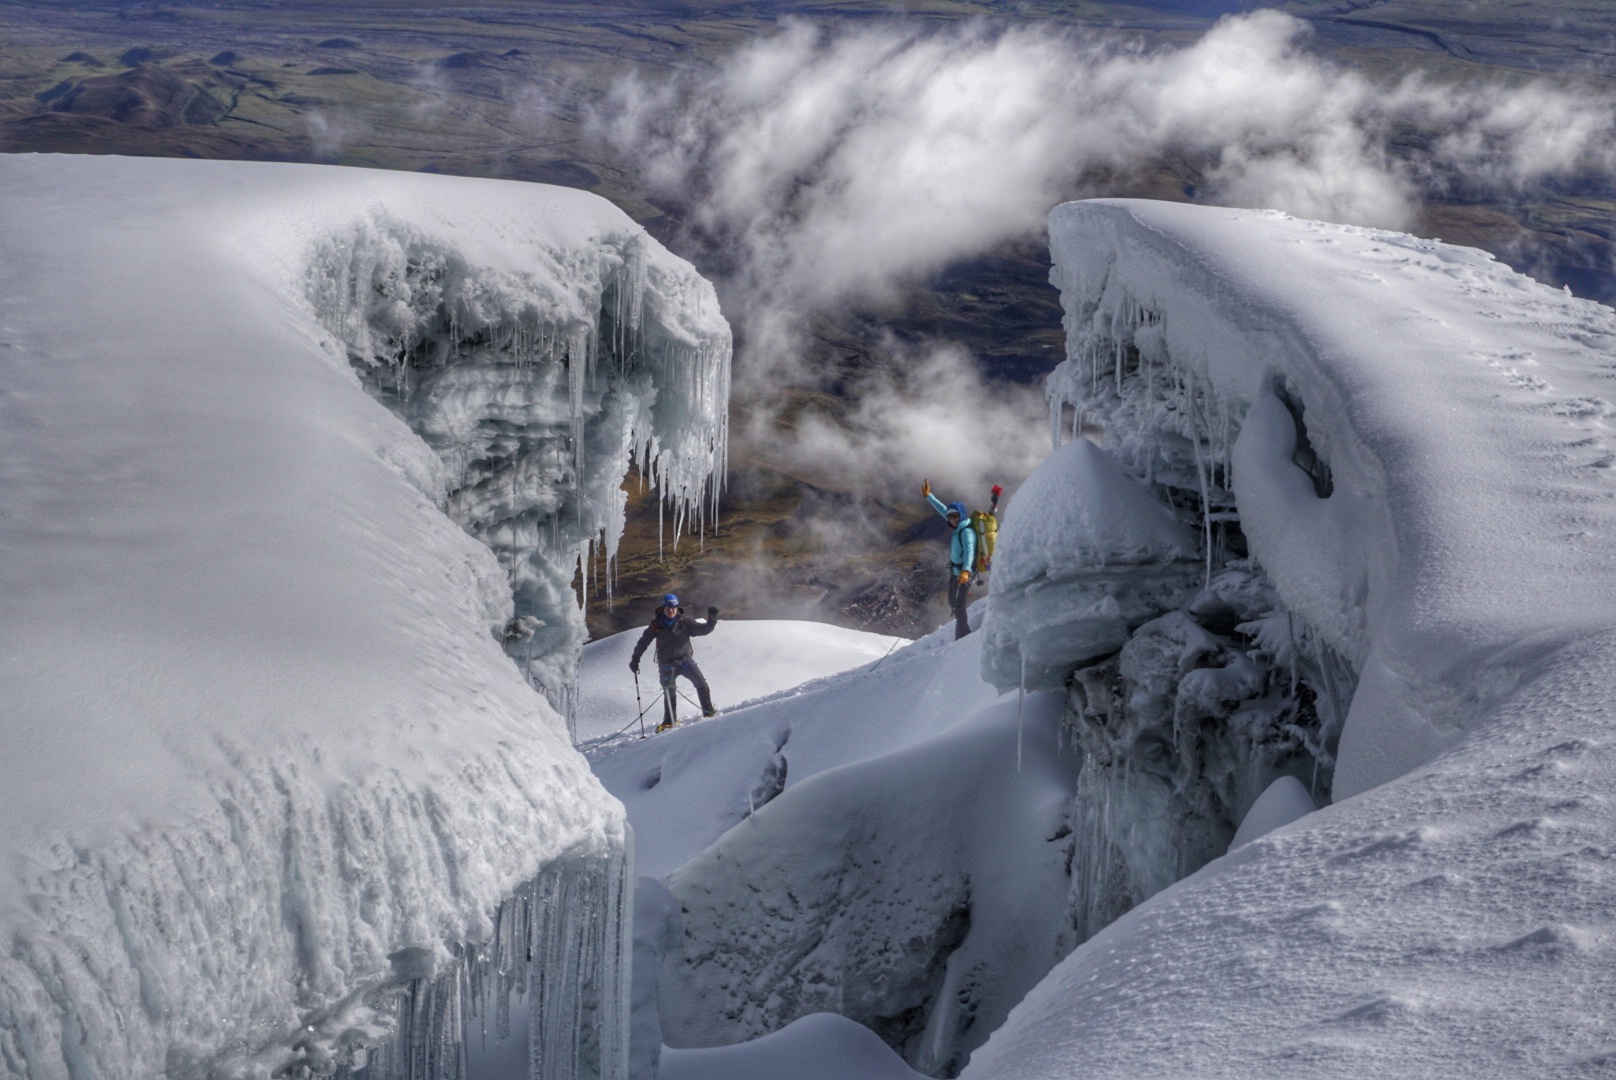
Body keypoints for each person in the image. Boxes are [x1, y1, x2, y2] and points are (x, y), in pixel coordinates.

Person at [629, 593, 719, 731]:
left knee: (701, 682)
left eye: (673, 608)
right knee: (669, 691)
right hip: (666, 664)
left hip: (685, 661)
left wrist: (711, 622)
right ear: (663, 608)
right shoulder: (656, 624)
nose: (671, 610)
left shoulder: (685, 622)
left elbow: (702, 630)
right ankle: (669, 721)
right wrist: (635, 658)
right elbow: (643, 642)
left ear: (677, 608)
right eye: (668, 608)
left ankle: (708, 712)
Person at [922, 479, 976, 640]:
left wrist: (966, 571)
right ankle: (965, 632)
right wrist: (929, 496)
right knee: (953, 602)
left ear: (961, 515)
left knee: (959, 607)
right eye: (950, 517)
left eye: (955, 516)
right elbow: (943, 510)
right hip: (955, 572)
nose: (952, 518)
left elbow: (970, 551)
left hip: (964, 573)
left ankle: (962, 638)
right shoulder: (958, 526)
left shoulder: (966, 531)